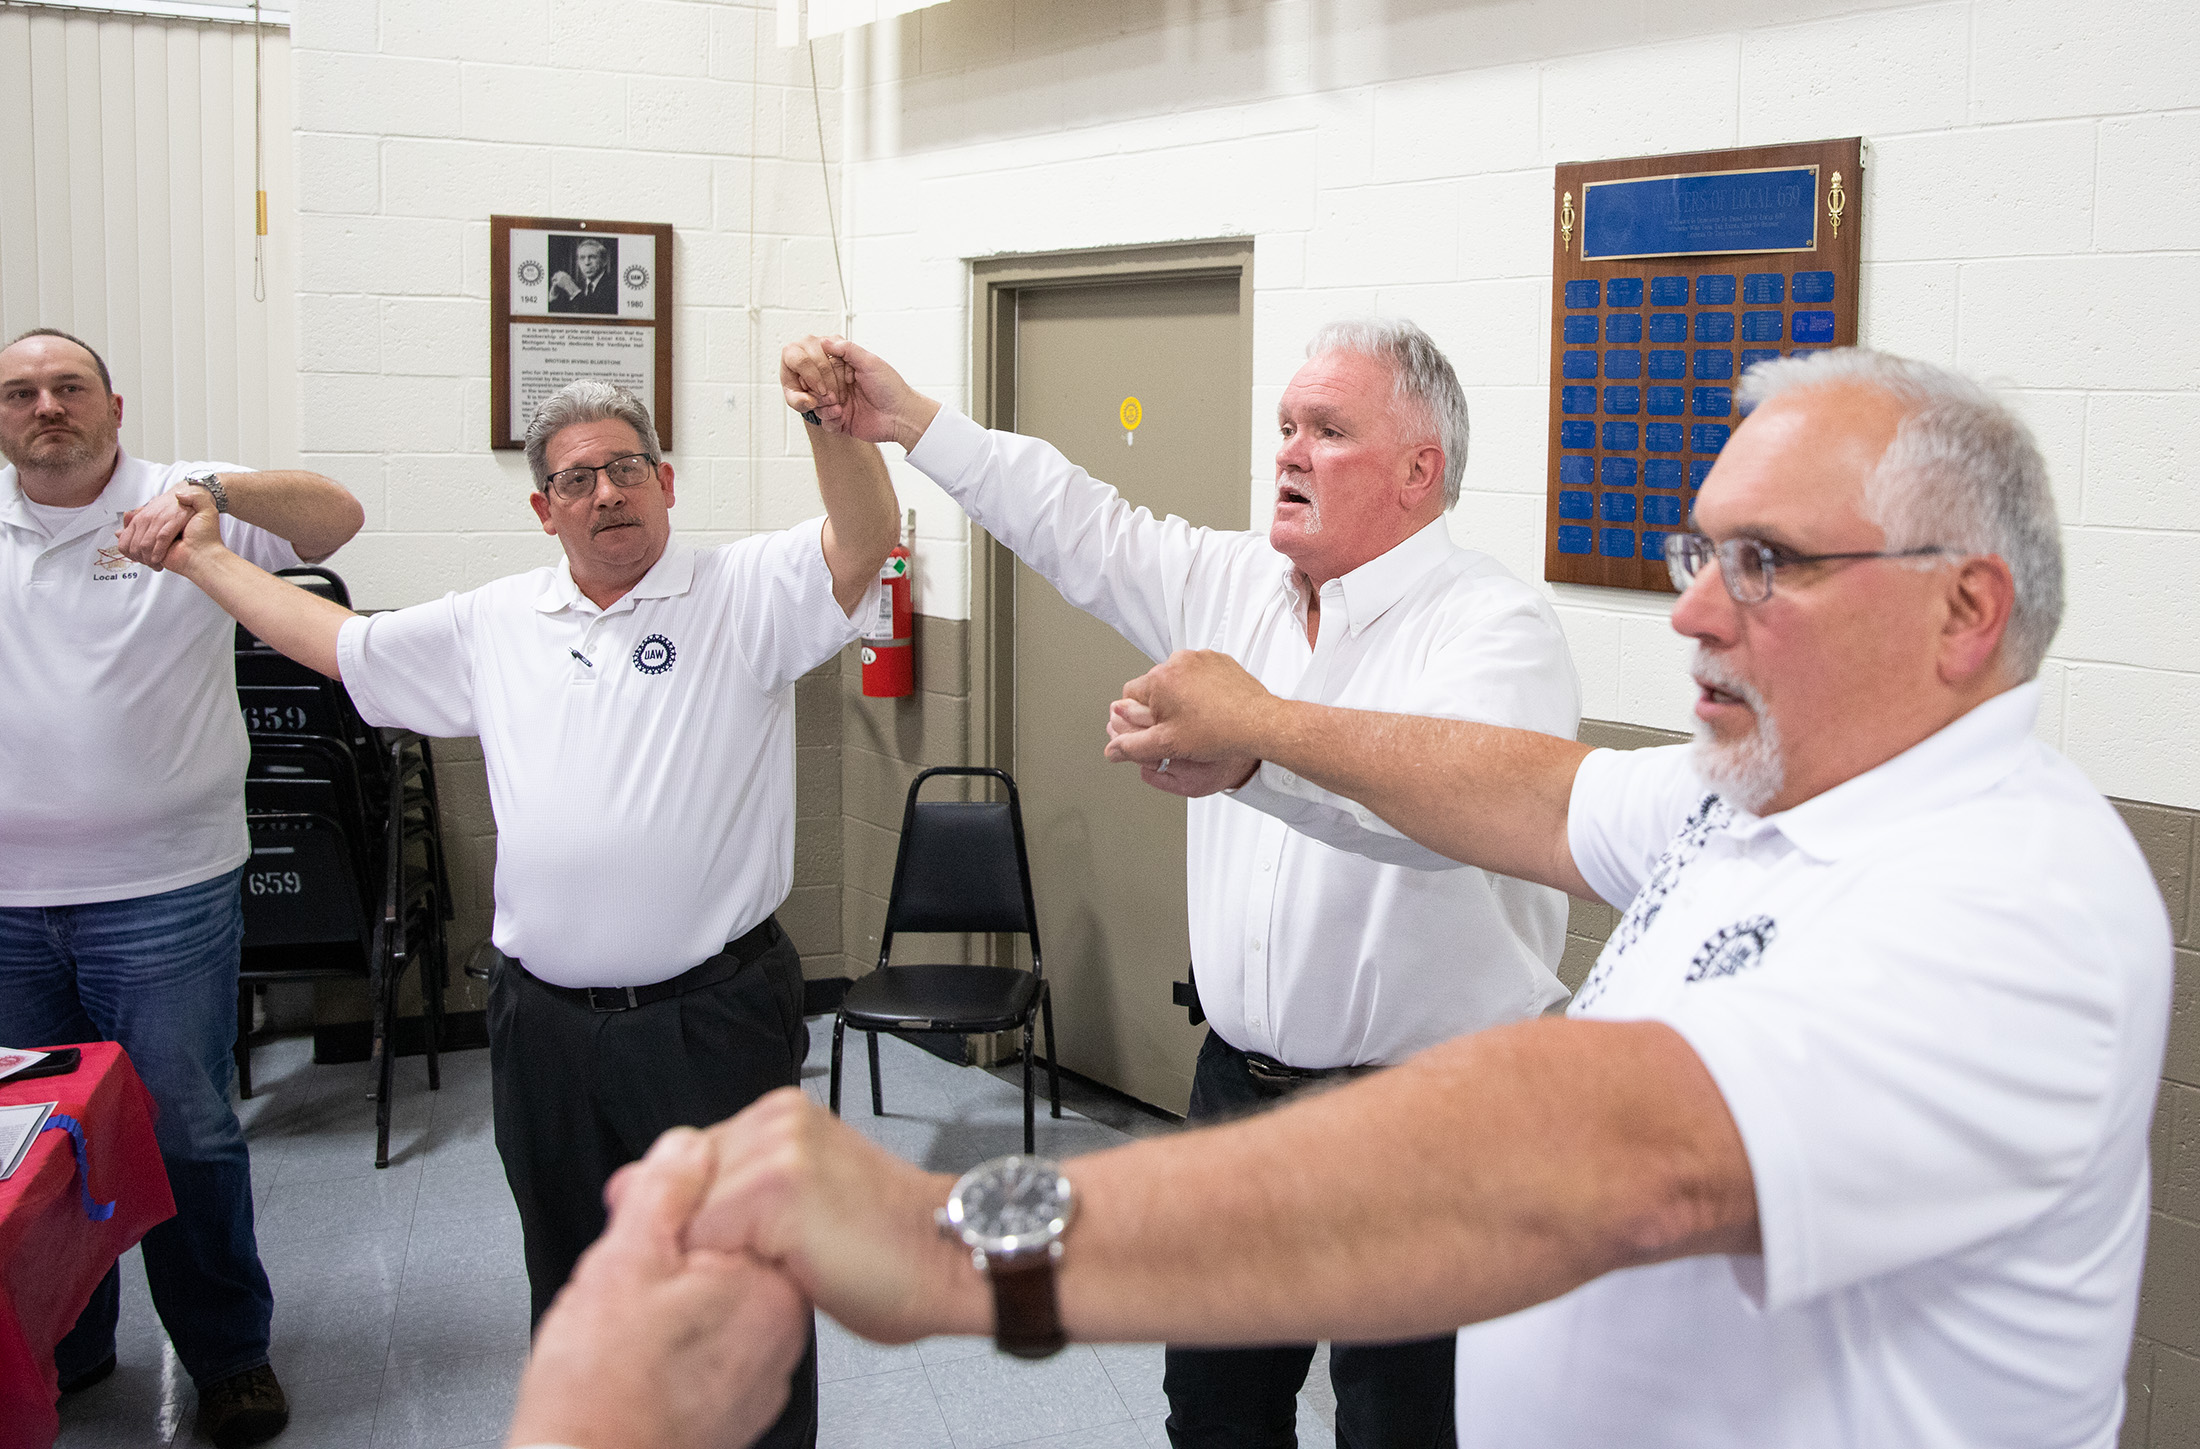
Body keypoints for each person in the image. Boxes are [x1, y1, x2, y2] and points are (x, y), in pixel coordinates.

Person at [630, 349, 2166, 1449]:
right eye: (1700, 550)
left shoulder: (2008, 896)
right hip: (1256, 1077)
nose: (1694, 608)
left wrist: (961, 1239)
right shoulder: (1747, 792)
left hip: (1406, 1098)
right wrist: (1268, 732)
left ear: (1967, 608)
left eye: (1765, 562)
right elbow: (1534, 795)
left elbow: (1610, 1158)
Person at [783, 322, 1579, 1449]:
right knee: (1214, 1414)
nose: (1289, 451)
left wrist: (1256, 753)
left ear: (1420, 470)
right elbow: (1072, 517)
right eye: (1287, 426)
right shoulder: (1235, 584)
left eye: (1328, 430)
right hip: (1240, 1092)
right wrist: (908, 421)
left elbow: (1452, 815)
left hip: (1433, 1116)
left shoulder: (1495, 627)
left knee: (1403, 1424)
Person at [126, 377, 899, 1449]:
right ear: (545, 509)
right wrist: (203, 558)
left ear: (666, 482)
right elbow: (339, 644)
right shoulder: (497, 621)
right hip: (545, 1031)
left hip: (711, 1021)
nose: (607, 492)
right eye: (577, 479)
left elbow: (863, 539)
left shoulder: (743, 594)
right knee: (575, 1280)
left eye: (627, 467)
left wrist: (830, 421)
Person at [0, 328, 365, 1448]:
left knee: (186, 1131)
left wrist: (212, 497)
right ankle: (67, 1343)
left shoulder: (186, 498)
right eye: (20, 393)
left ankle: (227, 1356)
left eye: (69, 387)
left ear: (113, 405)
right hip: (9, 904)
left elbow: (336, 518)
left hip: (163, 891)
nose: (46, 407)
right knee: (37, 1141)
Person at [549, 237, 618, 314]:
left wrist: (573, 290)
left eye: (592, 257)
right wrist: (554, 293)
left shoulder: (616, 286)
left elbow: (594, 314)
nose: (587, 263)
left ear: (604, 261)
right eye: (582, 258)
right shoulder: (578, 285)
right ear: (578, 262)